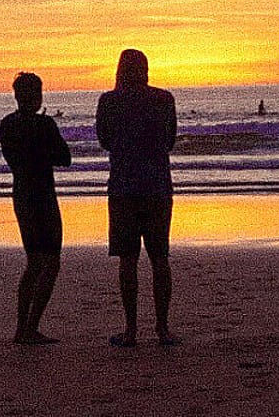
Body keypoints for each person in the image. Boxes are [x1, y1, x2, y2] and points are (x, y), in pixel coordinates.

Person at [96, 49, 179, 348]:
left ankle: (130, 330)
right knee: (160, 258)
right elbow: (170, 140)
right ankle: (162, 329)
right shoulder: (164, 99)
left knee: (128, 260)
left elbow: (104, 140)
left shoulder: (109, 101)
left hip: (123, 187)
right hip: (157, 186)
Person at [0, 73, 71, 345]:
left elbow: (13, 160)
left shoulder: (8, 125)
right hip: (42, 195)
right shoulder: (45, 124)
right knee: (50, 263)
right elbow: (65, 158)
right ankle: (30, 325)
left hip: (22, 194)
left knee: (34, 263)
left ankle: (23, 326)